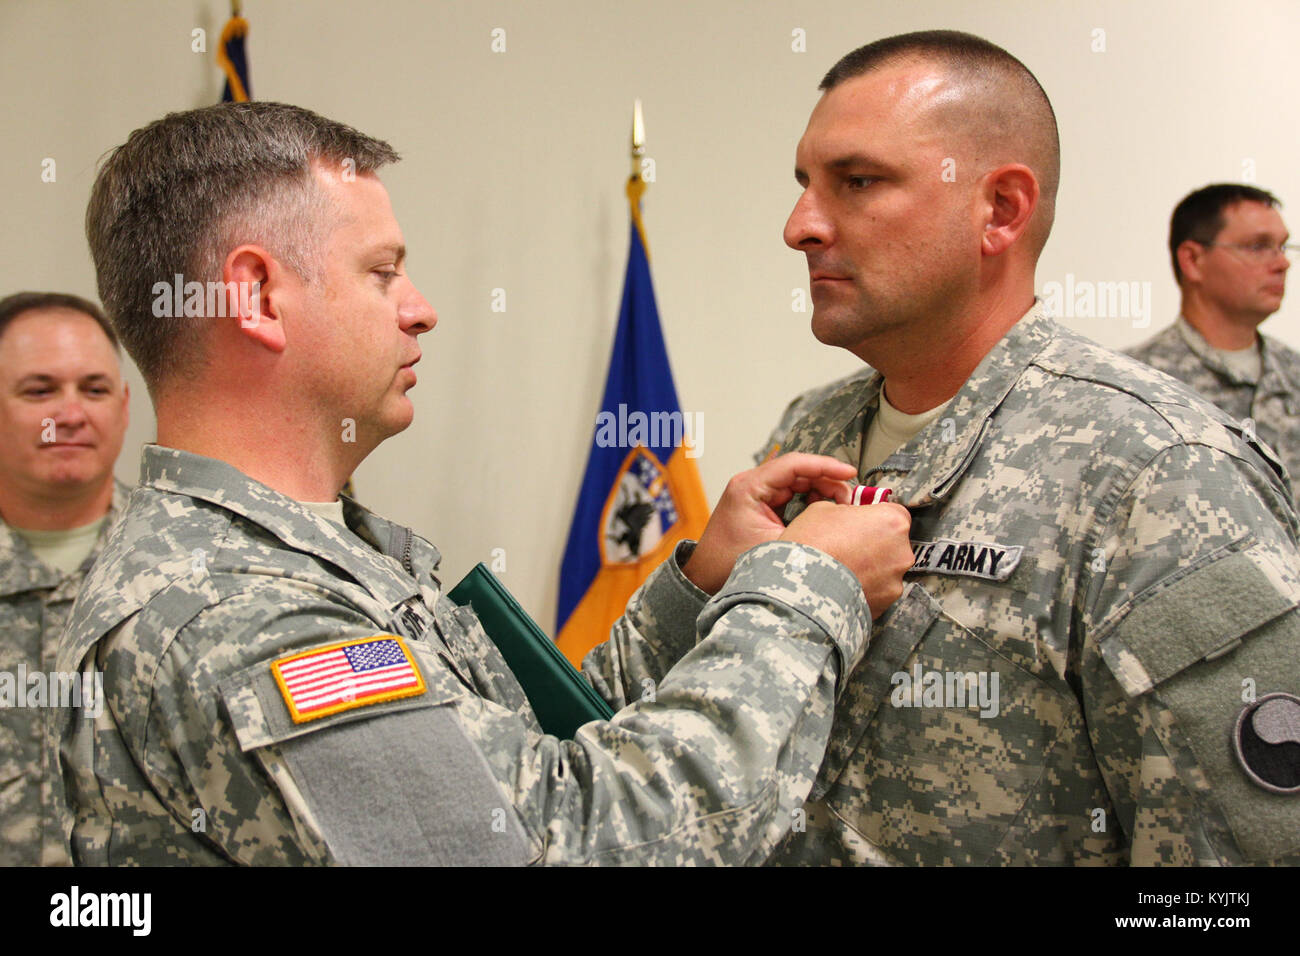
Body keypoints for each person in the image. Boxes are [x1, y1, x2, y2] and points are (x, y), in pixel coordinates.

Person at [58, 101, 916, 866]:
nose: (420, 307)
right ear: (256, 296)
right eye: (382, 271)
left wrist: (698, 586)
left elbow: (530, 754)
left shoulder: (314, 556)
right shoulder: (238, 613)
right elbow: (577, 843)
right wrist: (809, 586)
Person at [597, 30, 1300, 865]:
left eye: (857, 183)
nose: (799, 227)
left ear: (999, 209)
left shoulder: (1160, 471)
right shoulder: (810, 433)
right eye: (804, 185)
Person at [0, 291, 130, 866]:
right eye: (40, 390)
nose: (72, 414)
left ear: (125, 406)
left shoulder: (188, 572)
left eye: (94, 389)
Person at [1127, 184, 1300, 499]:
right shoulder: (1136, 387)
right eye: (1259, 246)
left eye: (1282, 247)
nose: (1282, 263)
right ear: (1193, 260)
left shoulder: (1294, 375)